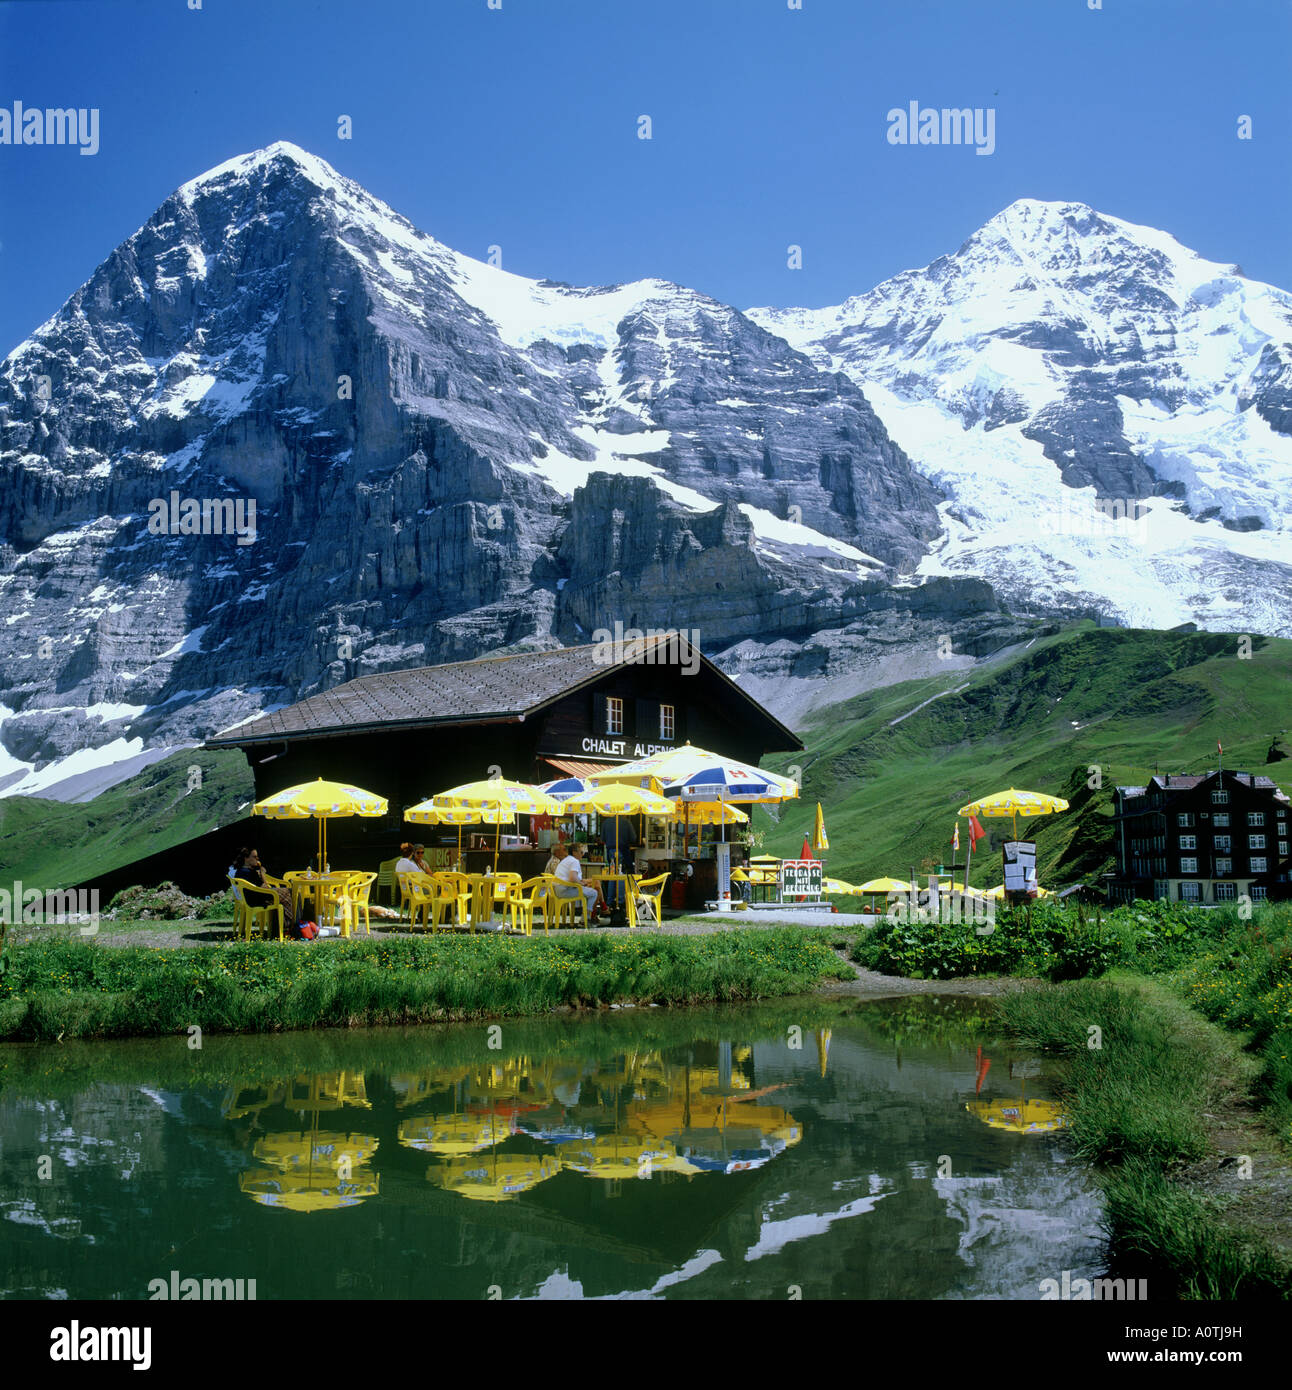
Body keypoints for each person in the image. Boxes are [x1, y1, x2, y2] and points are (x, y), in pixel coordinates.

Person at [233, 847, 293, 919]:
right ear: (246, 858)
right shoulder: (249, 872)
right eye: (254, 857)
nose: (257, 858)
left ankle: (283, 922)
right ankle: (293, 921)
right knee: (291, 892)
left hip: (251, 899)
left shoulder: (240, 871)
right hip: (259, 899)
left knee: (287, 894)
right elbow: (266, 887)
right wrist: (262, 874)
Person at [553, 842, 605, 924]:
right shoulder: (574, 861)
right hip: (565, 890)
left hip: (559, 889)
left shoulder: (567, 860)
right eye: (581, 852)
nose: (583, 854)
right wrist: (582, 884)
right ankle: (586, 919)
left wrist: (582, 883)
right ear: (574, 852)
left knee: (595, 885)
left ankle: (595, 913)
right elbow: (573, 878)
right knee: (594, 893)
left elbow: (571, 878)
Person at [602, 816, 639, 922]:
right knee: (621, 874)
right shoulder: (626, 822)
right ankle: (621, 902)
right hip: (623, 849)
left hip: (609, 851)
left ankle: (610, 903)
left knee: (613, 875)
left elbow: (602, 839)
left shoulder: (606, 822)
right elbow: (633, 838)